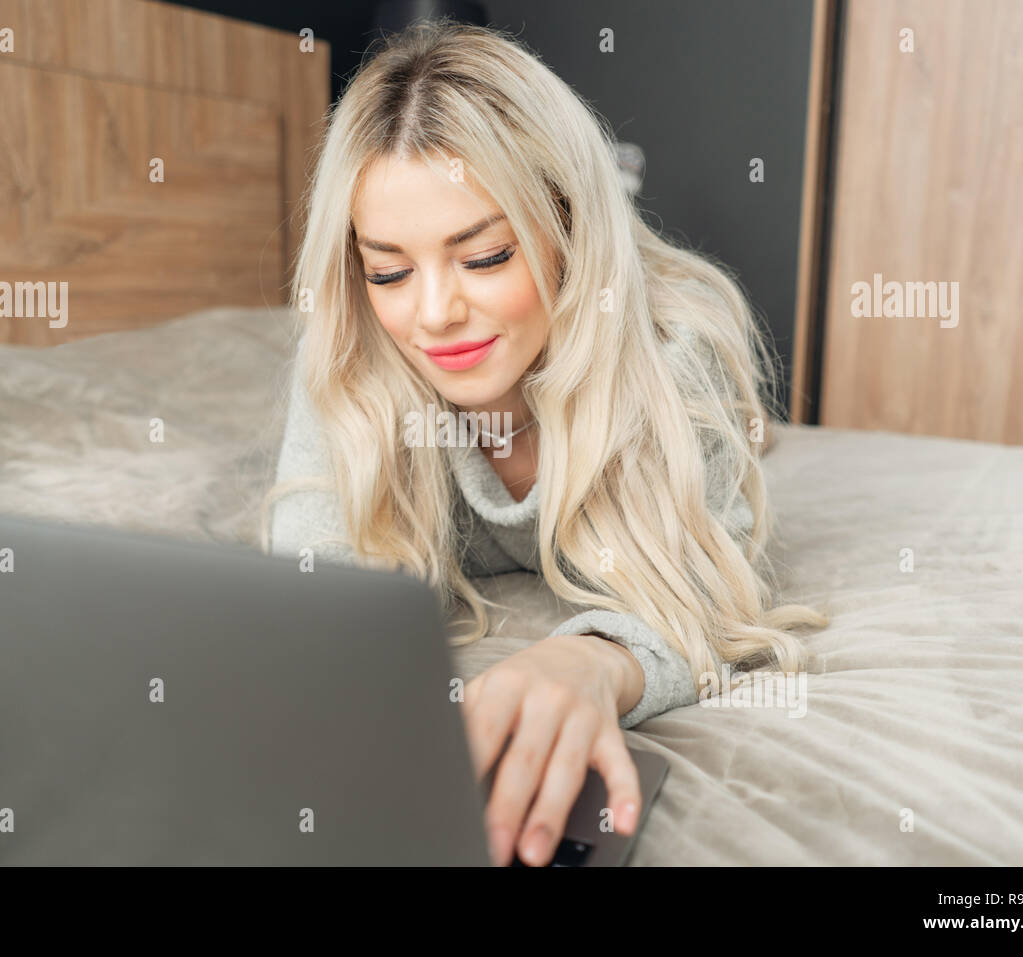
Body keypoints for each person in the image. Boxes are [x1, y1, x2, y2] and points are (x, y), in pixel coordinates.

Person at [260, 18, 826, 866]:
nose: (434, 313)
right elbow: (316, 593)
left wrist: (592, 664)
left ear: (570, 227)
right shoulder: (353, 352)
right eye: (388, 269)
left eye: (484, 255)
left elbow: (703, 589)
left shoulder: (676, 353)